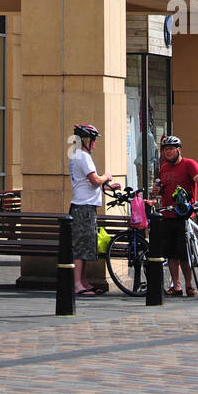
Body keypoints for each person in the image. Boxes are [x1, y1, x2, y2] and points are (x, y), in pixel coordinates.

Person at [156, 134, 198, 297]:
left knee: (185, 253)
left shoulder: (189, 164)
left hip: (184, 214)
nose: (168, 152)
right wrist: (157, 191)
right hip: (168, 213)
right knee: (171, 254)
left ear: (179, 150)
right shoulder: (164, 168)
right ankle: (176, 285)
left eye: (171, 149)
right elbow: (161, 187)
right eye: (166, 149)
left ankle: (189, 285)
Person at [68, 122, 117, 296]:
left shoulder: (76, 156)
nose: (95, 144)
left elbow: (90, 183)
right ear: (85, 140)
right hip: (84, 208)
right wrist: (107, 177)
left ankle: (84, 281)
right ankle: (77, 285)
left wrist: (109, 185)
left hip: (83, 206)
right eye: (93, 140)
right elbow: (95, 180)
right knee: (81, 247)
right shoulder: (83, 157)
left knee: (87, 245)